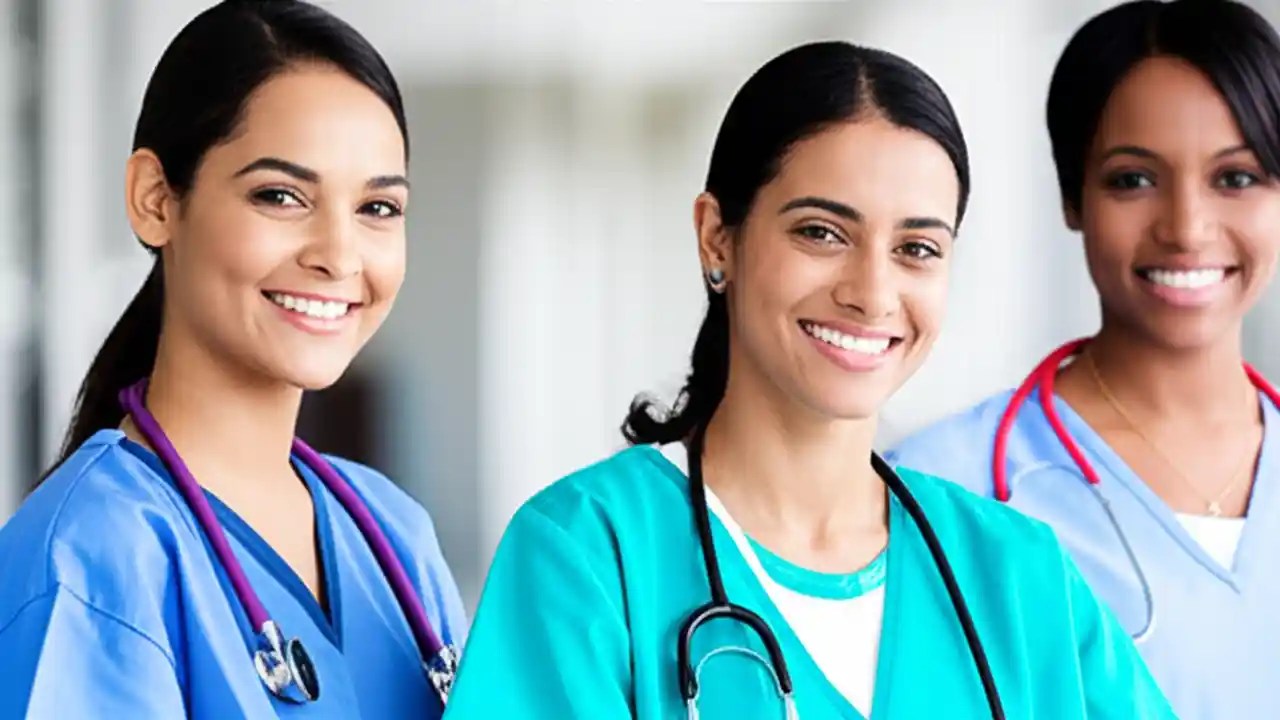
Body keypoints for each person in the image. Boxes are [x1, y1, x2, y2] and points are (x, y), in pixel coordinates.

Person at [441, 41, 1173, 719]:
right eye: (822, 232)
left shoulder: (1018, 577)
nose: (872, 292)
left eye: (917, 248)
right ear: (715, 236)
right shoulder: (588, 553)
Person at [0, 2, 466, 717]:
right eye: (280, 196)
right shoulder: (93, 553)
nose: (339, 256)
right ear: (156, 200)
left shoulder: (396, 538)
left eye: (377, 209)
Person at [885, 1, 1280, 718]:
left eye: (1237, 178)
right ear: (1072, 196)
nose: (1187, 228)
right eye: (1133, 179)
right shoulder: (947, 486)